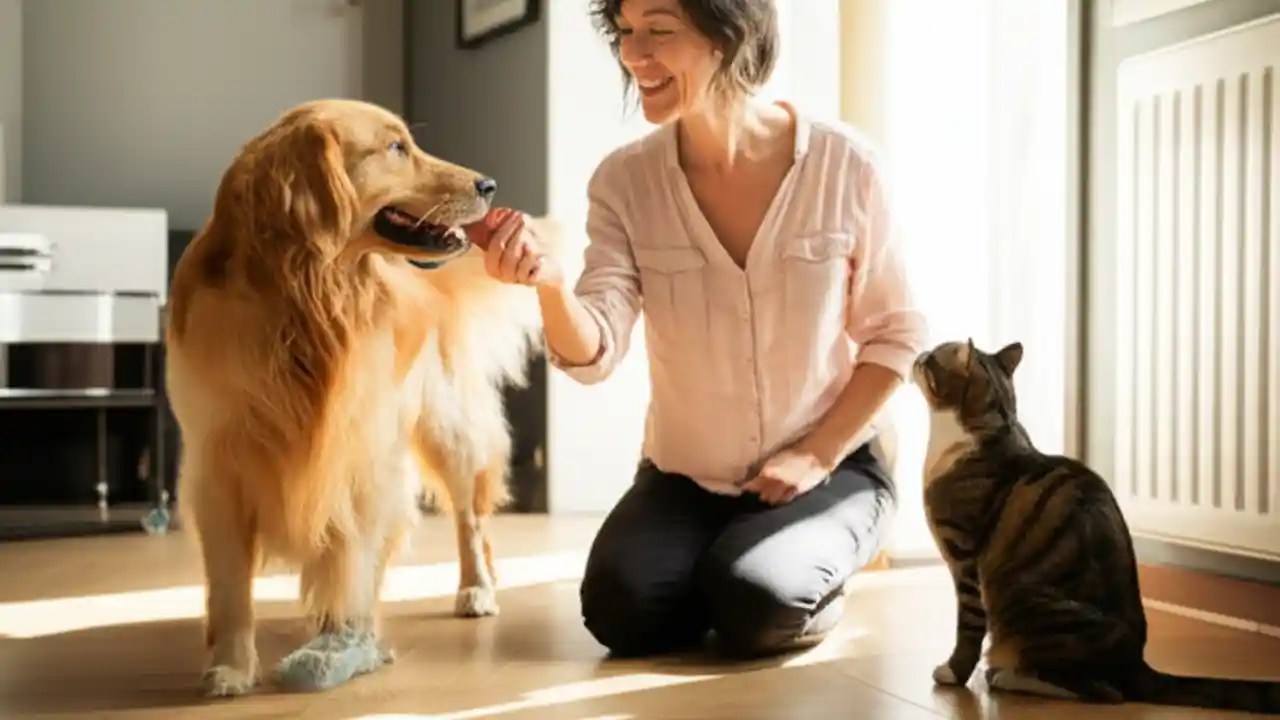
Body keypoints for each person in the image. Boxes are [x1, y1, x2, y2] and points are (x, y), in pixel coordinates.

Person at [473, 0, 928, 658]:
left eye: (659, 31)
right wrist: (548, 283)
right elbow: (596, 348)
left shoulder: (848, 167)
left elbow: (895, 334)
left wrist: (817, 453)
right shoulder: (624, 182)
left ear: (729, 35)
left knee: (759, 602)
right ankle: (736, 565)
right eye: (626, 32)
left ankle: (789, 568)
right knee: (621, 612)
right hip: (685, 477)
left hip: (828, 468)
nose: (634, 54)